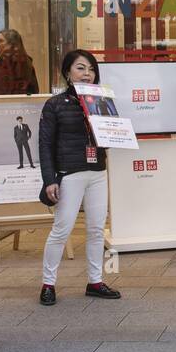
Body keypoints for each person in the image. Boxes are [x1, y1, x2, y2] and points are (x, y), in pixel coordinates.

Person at [37, 49, 119, 306]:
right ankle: (48, 284)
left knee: (96, 229)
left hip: (97, 172)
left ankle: (95, 281)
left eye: (91, 69)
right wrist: (49, 179)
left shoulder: (101, 101)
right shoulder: (55, 105)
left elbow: (109, 135)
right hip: (68, 173)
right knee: (62, 229)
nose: (87, 74)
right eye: (81, 68)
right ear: (67, 73)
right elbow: (45, 144)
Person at [0, 28, 39, 95]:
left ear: (11, 43)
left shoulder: (22, 63)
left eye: (1, 41)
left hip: (17, 102)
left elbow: (33, 89)